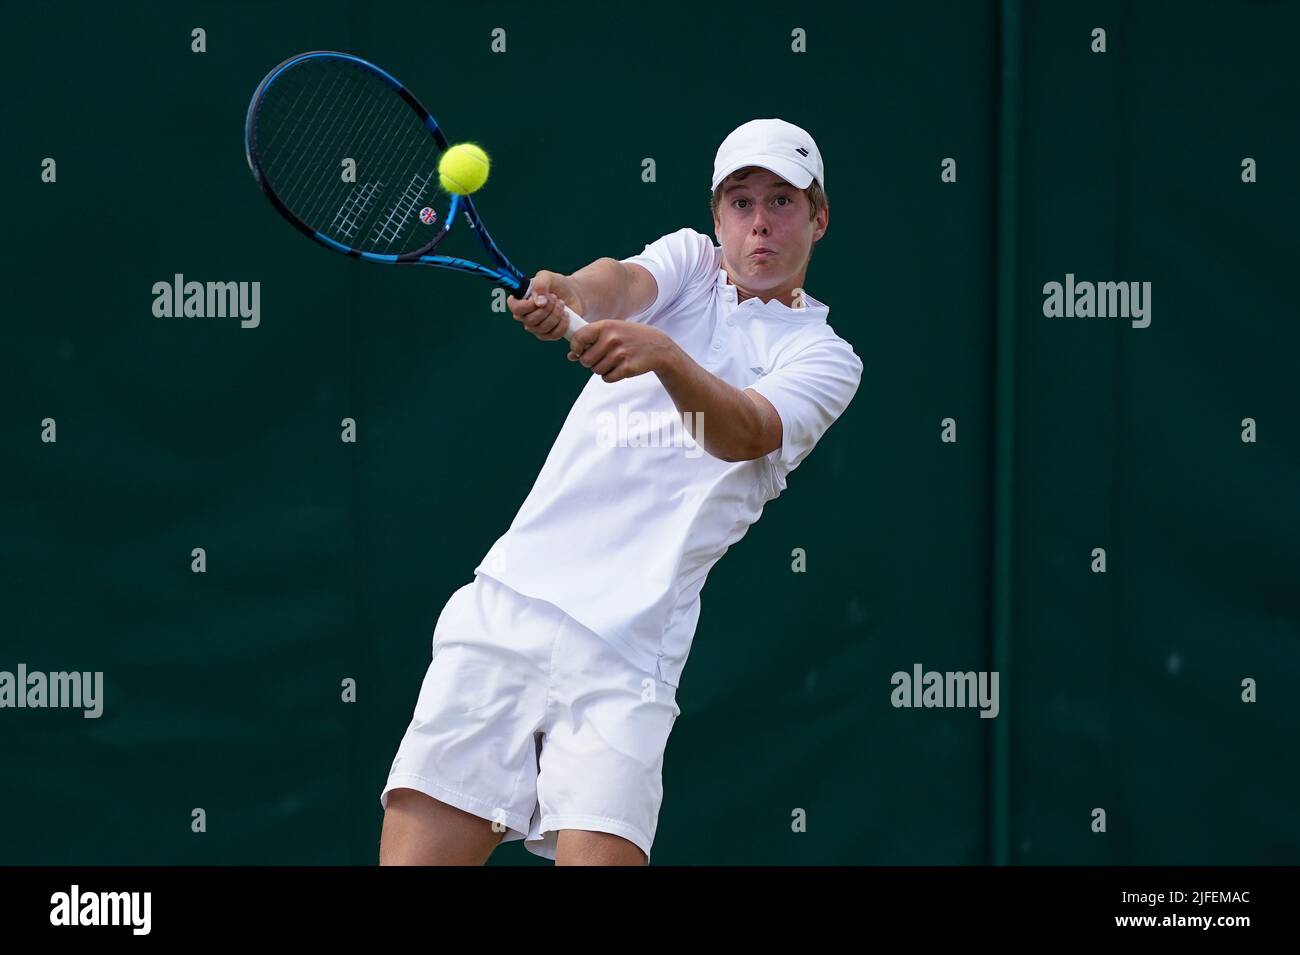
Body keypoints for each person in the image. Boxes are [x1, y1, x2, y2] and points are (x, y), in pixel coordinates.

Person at [379, 118, 862, 866]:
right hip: (509, 608)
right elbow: (614, 282)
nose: (760, 222)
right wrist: (564, 292)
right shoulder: (689, 263)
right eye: (740, 203)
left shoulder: (825, 359)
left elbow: (741, 431)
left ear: (818, 217)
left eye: (782, 201)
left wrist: (664, 357)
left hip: (630, 653)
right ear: (717, 217)